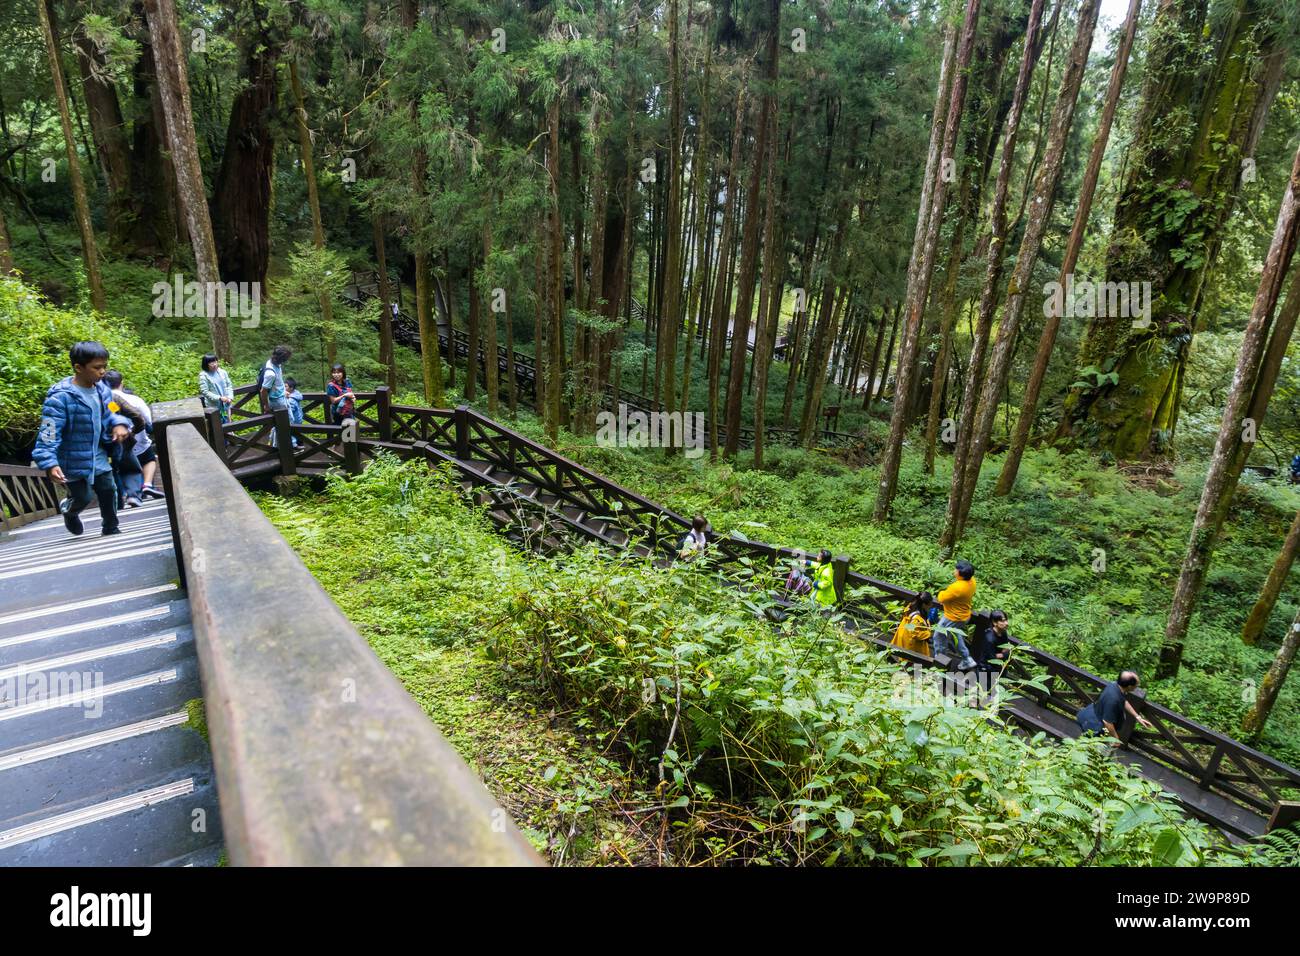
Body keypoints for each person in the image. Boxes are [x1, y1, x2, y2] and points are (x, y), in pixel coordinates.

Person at [32, 342, 133, 537]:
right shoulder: (60, 398)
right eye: (97, 367)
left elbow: (112, 410)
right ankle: (70, 511)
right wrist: (49, 462)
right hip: (72, 459)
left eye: (104, 366)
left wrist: (119, 423)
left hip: (99, 454)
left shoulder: (102, 390)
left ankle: (111, 527)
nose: (102, 372)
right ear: (78, 367)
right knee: (83, 496)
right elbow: (49, 431)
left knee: (108, 488)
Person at [105, 370, 164, 503]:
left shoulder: (100, 397)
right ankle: (144, 487)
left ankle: (122, 498)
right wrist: (135, 430)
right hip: (132, 440)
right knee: (145, 460)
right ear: (121, 383)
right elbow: (143, 417)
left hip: (108, 442)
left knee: (119, 469)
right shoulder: (116, 399)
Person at [1076, 671, 1154, 745]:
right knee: (1088, 745)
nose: (1136, 687)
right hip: (1095, 726)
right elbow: (1107, 722)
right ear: (1129, 686)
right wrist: (1115, 739)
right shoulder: (1113, 700)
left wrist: (1137, 717)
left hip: (1093, 714)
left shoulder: (1115, 685)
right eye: (1136, 686)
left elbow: (1123, 701)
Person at [935, 559, 978, 670]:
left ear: (961, 575)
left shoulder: (957, 588)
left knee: (939, 638)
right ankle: (967, 659)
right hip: (963, 616)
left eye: (956, 570)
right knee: (956, 636)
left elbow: (941, 598)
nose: (954, 571)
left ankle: (940, 664)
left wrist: (941, 592)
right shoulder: (972, 581)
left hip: (952, 617)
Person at [258, 345, 292, 446]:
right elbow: (263, 391)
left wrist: (283, 391)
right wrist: (266, 405)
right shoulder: (270, 373)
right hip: (277, 401)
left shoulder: (274, 363)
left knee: (281, 423)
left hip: (281, 396)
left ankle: (274, 444)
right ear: (281, 359)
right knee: (284, 424)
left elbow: (278, 382)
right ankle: (279, 448)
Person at [199, 353, 234, 422]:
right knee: (217, 426)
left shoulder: (222, 372)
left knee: (228, 422)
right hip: (213, 406)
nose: (214, 364)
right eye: (211, 363)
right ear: (206, 364)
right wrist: (219, 398)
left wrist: (230, 397)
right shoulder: (203, 376)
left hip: (226, 403)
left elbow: (229, 385)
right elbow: (205, 391)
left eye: (215, 362)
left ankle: (230, 432)